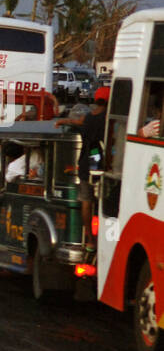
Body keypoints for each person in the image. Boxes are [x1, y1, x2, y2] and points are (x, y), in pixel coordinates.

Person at [56, 86, 108, 239]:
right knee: (105, 201)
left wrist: (64, 120)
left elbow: (78, 122)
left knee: (86, 199)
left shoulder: (89, 117)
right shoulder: (108, 117)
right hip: (102, 162)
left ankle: (88, 235)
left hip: (86, 162)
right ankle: (107, 236)